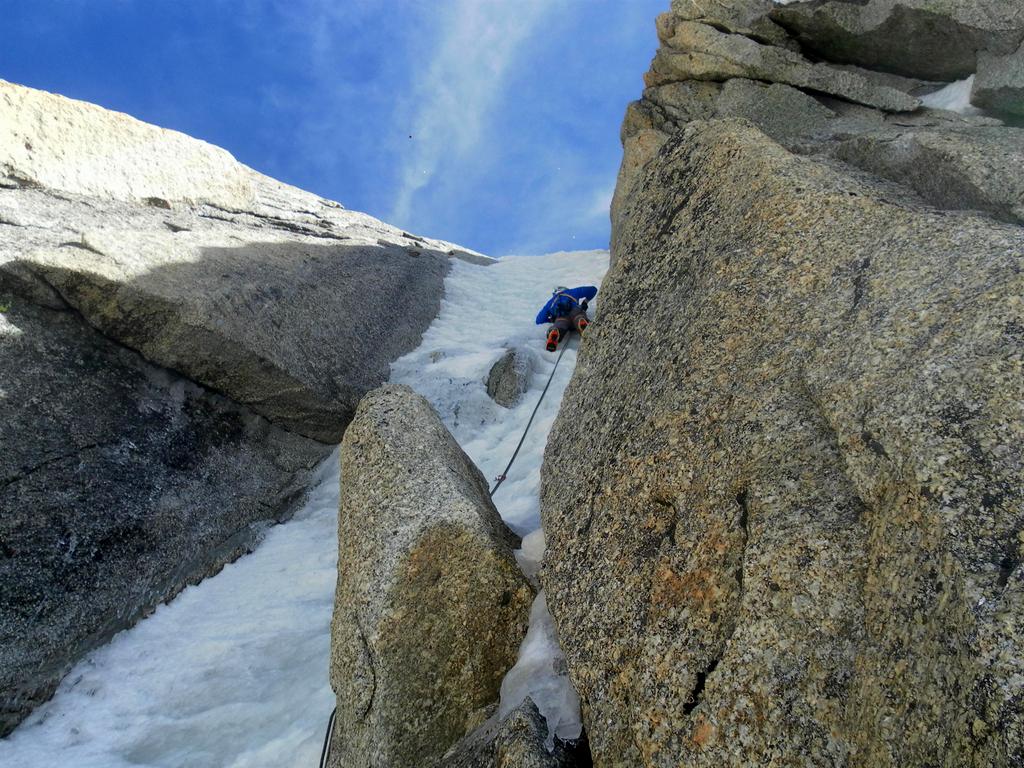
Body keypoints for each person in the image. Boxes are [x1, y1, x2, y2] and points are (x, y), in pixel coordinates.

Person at [535, 285, 598, 351]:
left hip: (561, 317)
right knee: (579, 316)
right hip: (575, 311)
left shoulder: (551, 302)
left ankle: (555, 332)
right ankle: (582, 322)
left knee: (560, 325)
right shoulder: (572, 292)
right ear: (565, 289)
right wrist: (585, 302)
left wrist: (551, 320)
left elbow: (539, 320)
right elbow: (593, 290)